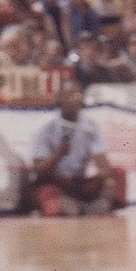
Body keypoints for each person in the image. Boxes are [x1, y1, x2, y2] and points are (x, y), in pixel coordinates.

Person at [23, 82, 117, 215]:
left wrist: (108, 184)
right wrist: (58, 154)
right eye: (69, 95)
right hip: (54, 182)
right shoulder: (45, 128)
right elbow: (39, 172)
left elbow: (103, 163)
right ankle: (73, 207)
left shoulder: (90, 126)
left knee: (117, 174)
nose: (73, 100)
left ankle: (89, 206)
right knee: (48, 199)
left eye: (77, 96)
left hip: (77, 183)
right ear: (59, 98)